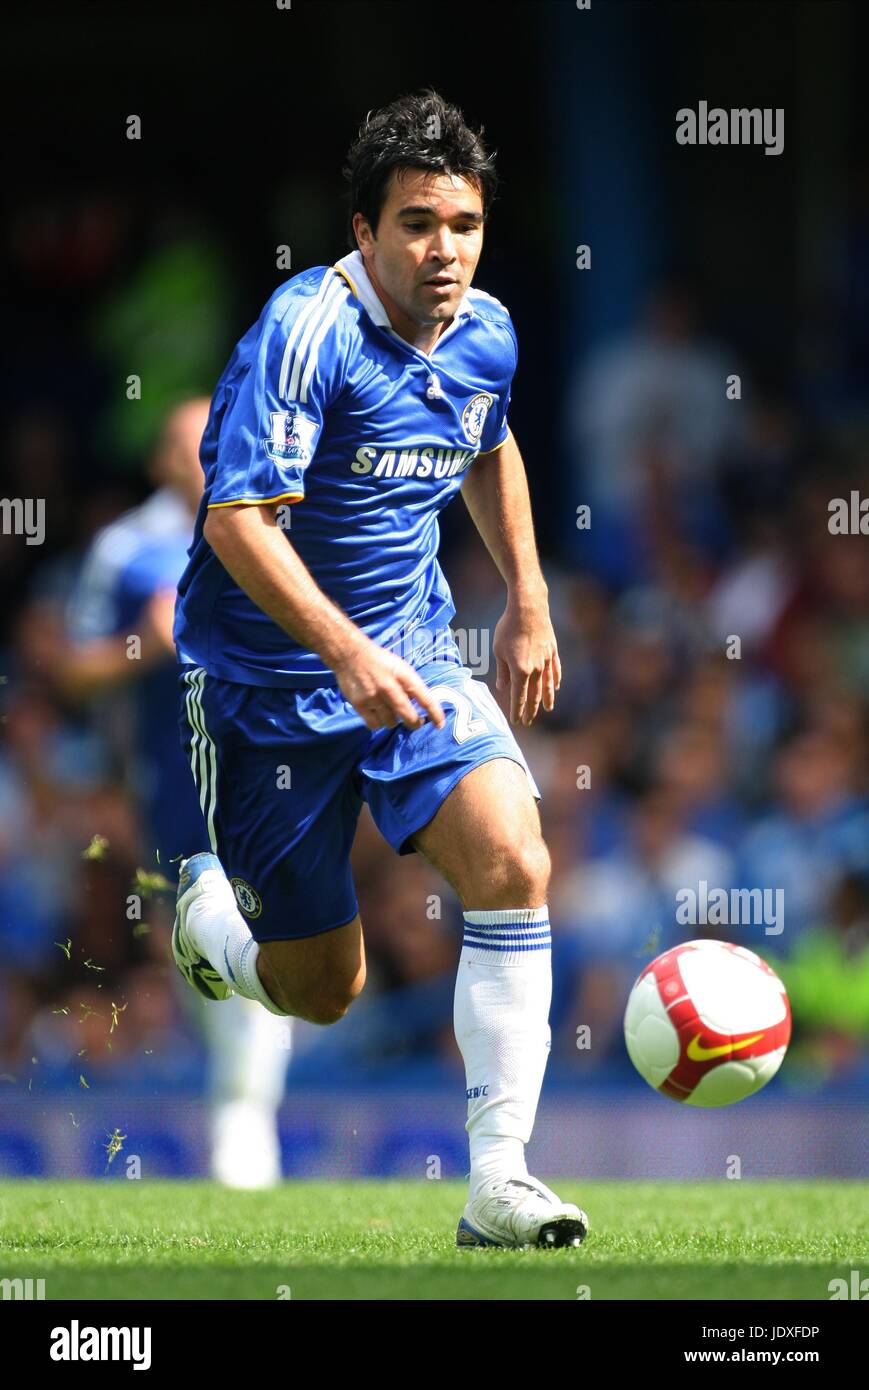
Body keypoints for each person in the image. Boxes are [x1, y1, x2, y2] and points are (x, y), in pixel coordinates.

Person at [171, 90, 588, 1248]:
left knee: (511, 854)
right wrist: (338, 652)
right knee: (322, 988)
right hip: (265, 690)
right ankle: (216, 930)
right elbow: (236, 522)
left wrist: (527, 604)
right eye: (414, 224)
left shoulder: (487, 330)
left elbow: (488, 444)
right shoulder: (301, 331)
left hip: (410, 656)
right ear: (362, 234)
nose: (441, 249)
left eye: (460, 223)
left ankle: (499, 1182)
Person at [62, 399, 290, 1187]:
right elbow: (72, 669)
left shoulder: (277, 523)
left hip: (271, 774)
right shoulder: (127, 550)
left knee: (264, 932)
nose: (204, 457)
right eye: (187, 445)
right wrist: (142, 647)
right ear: (160, 459)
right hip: (175, 783)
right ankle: (234, 1107)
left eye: (215, 442)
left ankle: (243, 1120)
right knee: (200, 945)